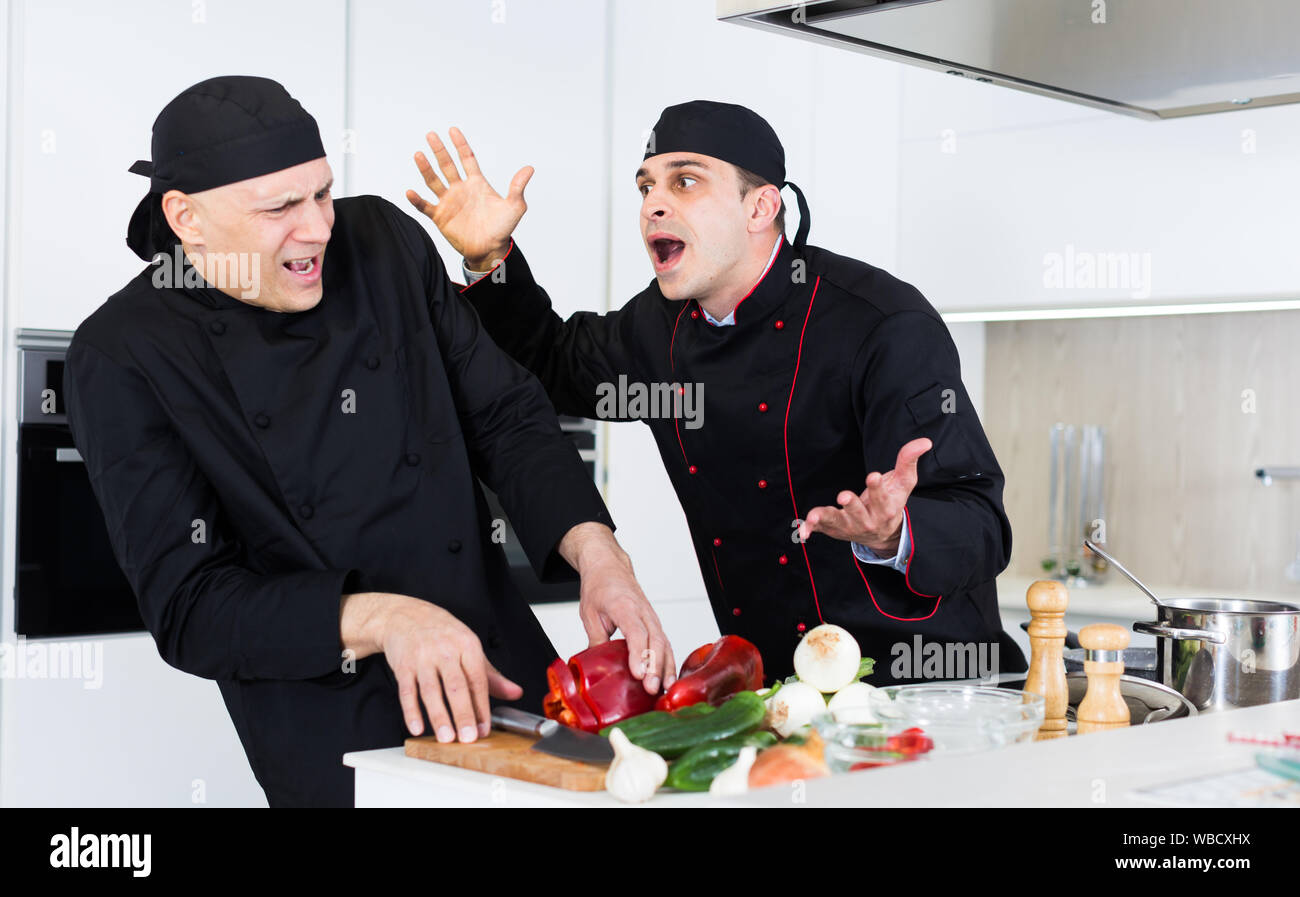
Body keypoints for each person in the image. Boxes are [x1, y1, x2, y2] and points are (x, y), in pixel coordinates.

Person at [64, 76, 675, 808]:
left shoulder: (381, 242)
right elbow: (191, 608)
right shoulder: (126, 353)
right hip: (338, 729)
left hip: (500, 665)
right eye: (281, 207)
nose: (318, 228)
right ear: (186, 217)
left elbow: (507, 415)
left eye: (321, 193)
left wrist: (597, 552)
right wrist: (388, 617)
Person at [407, 100, 1027, 684]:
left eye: (685, 181)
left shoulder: (882, 325)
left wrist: (896, 534)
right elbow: (548, 367)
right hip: (775, 693)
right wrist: (492, 259)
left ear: (760, 208)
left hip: (925, 690)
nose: (652, 204)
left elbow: (982, 527)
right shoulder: (659, 327)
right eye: (646, 186)